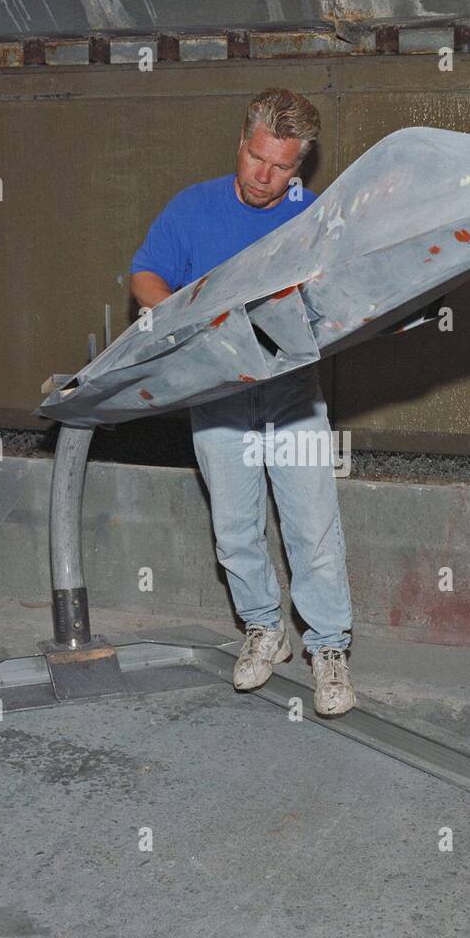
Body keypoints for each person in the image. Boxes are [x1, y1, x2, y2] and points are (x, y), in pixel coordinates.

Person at [129, 87, 355, 716]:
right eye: (258, 158)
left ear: (301, 165)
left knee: (312, 528)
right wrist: (180, 316)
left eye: (283, 166)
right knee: (234, 529)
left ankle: (329, 648)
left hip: (292, 394)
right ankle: (263, 628)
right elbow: (146, 274)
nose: (266, 176)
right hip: (217, 391)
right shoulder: (192, 208)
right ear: (243, 142)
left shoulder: (314, 221)